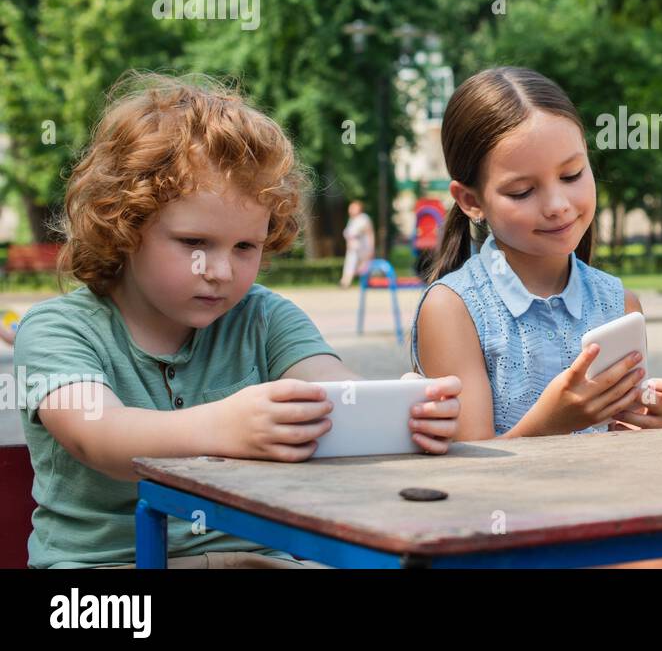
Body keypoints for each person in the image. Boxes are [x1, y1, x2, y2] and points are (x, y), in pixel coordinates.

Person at [13, 73, 461, 568]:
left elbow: (333, 392)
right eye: (194, 243)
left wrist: (399, 413)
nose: (222, 272)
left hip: (254, 557)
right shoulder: (58, 329)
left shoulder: (263, 317)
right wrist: (225, 426)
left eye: (246, 246)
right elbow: (99, 437)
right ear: (124, 225)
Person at [408, 67, 662, 568]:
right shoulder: (453, 309)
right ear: (471, 201)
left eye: (571, 175)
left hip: (604, 521)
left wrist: (644, 421)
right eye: (522, 192)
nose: (559, 205)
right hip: (506, 539)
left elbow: (625, 460)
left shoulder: (619, 302)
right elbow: (467, 481)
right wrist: (554, 423)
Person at [339, 200, 375, 287]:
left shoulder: (363, 218)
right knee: (350, 265)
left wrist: (371, 248)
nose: (350, 210)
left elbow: (369, 233)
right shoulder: (351, 220)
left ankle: (364, 283)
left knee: (363, 266)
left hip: (362, 247)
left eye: (353, 208)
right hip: (353, 248)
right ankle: (345, 282)